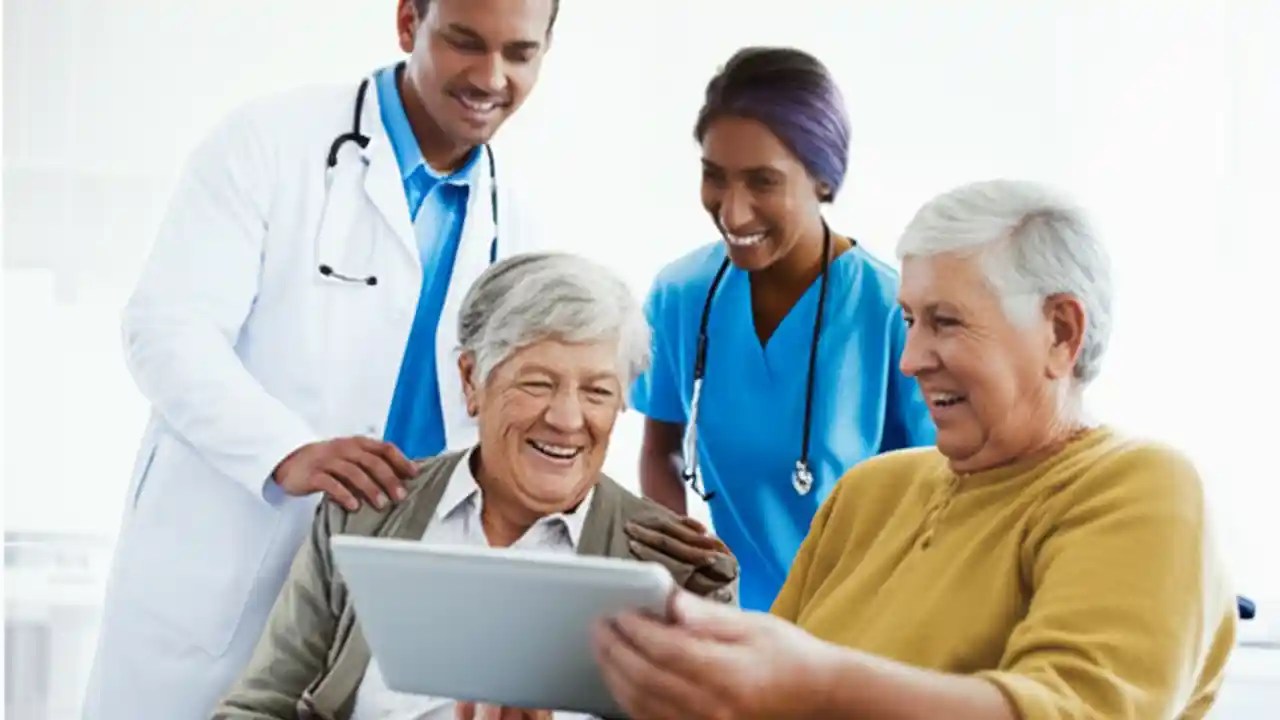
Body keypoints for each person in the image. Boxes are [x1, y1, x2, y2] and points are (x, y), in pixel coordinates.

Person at [593, 179, 1238, 719]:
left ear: (1061, 333)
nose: (910, 361)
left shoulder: (1139, 489)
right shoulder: (871, 493)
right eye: (908, 319)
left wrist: (818, 684)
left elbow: (1069, 711)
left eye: (946, 322)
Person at [83, 1, 567, 717]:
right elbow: (166, 328)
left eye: (519, 54)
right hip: (226, 578)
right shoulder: (270, 144)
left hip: (380, 607)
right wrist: (288, 448)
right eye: (465, 43)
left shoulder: (516, 223)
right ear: (409, 23)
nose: (491, 77)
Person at [213, 253, 739, 719]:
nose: (566, 418)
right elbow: (260, 706)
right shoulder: (367, 512)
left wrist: (713, 620)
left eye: (598, 391)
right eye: (537, 383)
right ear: (471, 381)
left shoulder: (673, 567)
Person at [631, 46, 935, 611]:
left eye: (763, 182)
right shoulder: (680, 295)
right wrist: (683, 558)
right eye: (714, 177)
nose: (733, 211)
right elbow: (660, 449)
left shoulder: (892, 311)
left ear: (824, 179)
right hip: (726, 620)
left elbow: (937, 498)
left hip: (856, 621)